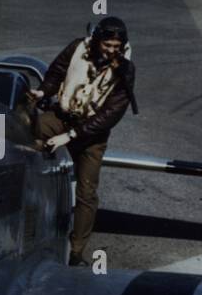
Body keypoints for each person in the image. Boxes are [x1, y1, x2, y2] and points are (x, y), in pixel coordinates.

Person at [27, 17, 137, 267]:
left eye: (116, 47)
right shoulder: (77, 47)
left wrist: (70, 136)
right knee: (28, 130)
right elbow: (56, 72)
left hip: (92, 133)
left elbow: (109, 116)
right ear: (98, 40)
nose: (111, 51)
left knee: (87, 192)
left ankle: (75, 251)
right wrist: (43, 91)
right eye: (107, 45)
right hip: (62, 117)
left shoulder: (126, 70)